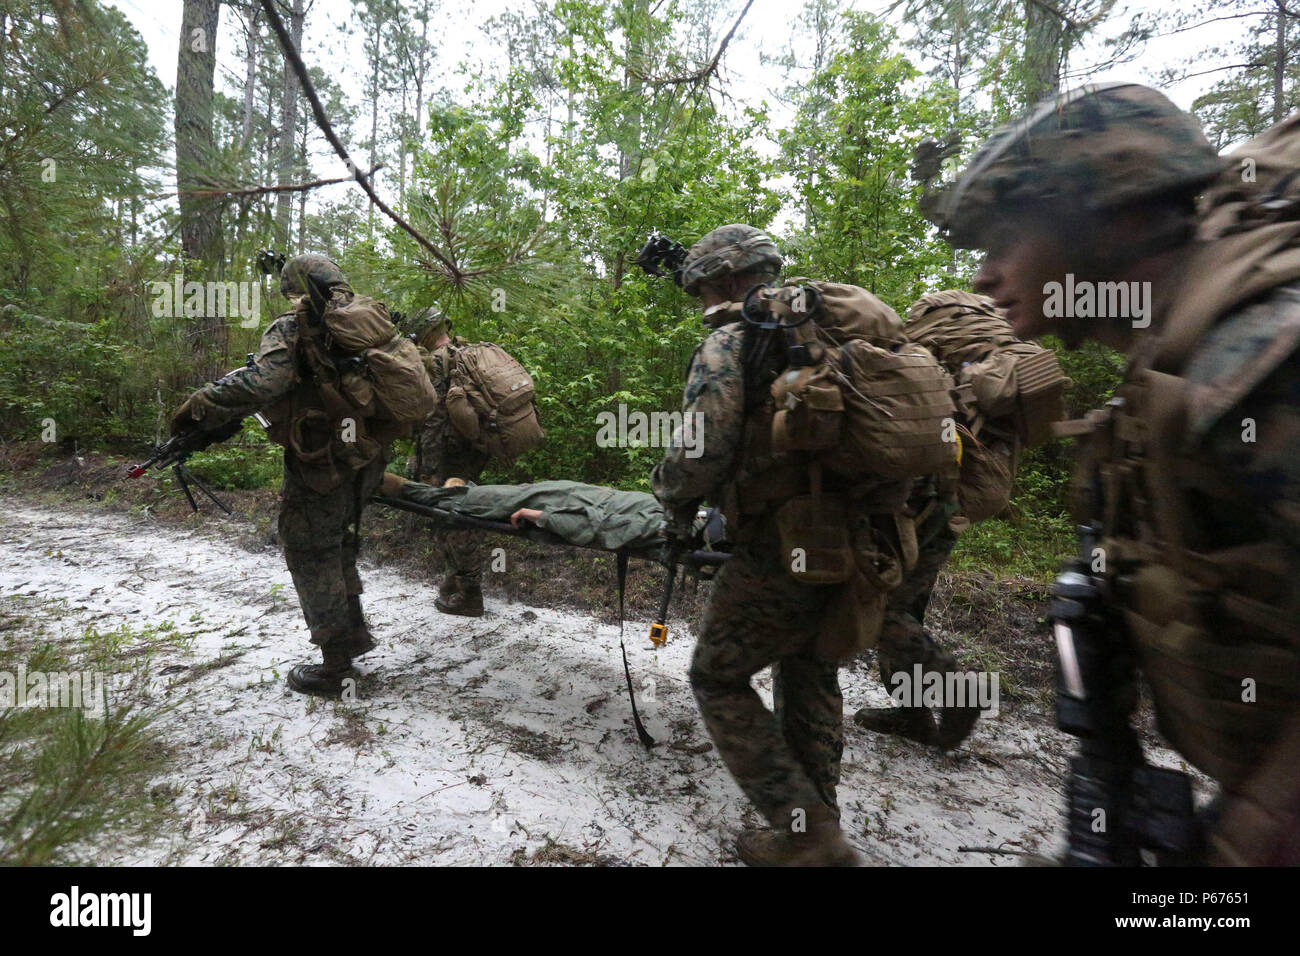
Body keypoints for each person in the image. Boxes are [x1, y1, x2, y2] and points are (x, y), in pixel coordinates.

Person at [927, 81, 1300, 865]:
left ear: (1121, 218)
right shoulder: (1161, 368)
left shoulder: (1257, 356)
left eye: (1008, 240)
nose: (987, 276)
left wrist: (1247, 840)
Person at [651, 224, 920, 866]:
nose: (700, 300)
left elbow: (701, 451)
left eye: (701, 288)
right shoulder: (834, 336)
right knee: (809, 665)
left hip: (783, 542)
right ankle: (816, 815)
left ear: (722, 280)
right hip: (866, 535)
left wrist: (672, 502)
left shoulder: (731, 342)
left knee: (716, 675)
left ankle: (808, 837)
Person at [169, 254, 393, 697]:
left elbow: (263, 384)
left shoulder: (297, 326)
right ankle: (352, 636)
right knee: (337, 540)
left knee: (310, 549)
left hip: (321, 460)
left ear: (295, 288)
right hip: (368, 455)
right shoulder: (373, 320)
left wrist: (199, 404)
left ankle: (337, 666)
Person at [405, 308, 489, 617]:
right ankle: (452, 584)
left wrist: (428, 469)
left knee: (452, 519)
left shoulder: (438, 362)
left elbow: (433, 418)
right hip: (472, 450)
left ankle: (470, 594)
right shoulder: (466, 350)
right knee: (459, 515)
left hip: (448, 453)